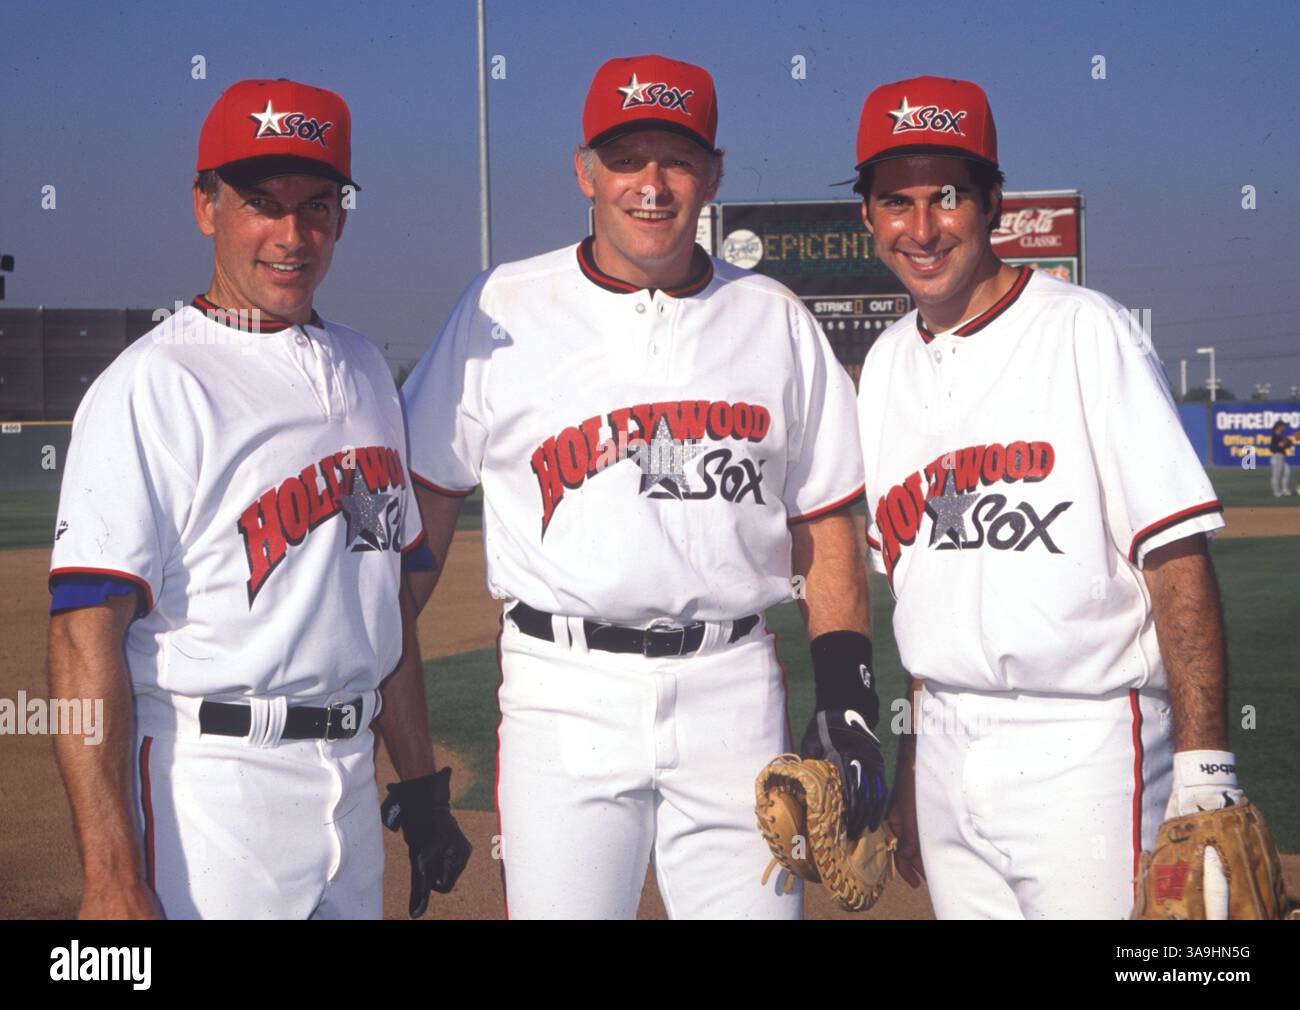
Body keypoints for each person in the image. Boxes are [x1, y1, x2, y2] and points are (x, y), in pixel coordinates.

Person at [398, 54, 886, 919]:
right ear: (585, 169)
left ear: (714, 173)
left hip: (733, 691)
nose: (651, 184)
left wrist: (847, 699)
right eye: (627, 158)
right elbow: (422, 520)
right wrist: (375, 696)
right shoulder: (504, 306)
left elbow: (825, 525)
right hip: (562, 694)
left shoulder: (775, 318)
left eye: (677, 158)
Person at [46, 78, 469, 920]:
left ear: (342, 217)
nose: (291, 235)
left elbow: (382, 610)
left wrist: (419, 783)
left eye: (316, 205)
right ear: (206, 207)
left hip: (347, 783)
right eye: (259, 204)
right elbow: (80, 634)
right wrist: (109, 876)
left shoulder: (364, 372)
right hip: (212, 793)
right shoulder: (155, 384)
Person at [851, 76, 1248, 918]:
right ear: (869, 217)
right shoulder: (883, 365)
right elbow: (923, 591)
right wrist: (917, 766)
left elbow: (1175, 557)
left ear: (994, 203)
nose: (922, 229)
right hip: (950, 746)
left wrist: (1208, 769)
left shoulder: (1084, 329)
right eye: (898, 202)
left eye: (948, 196)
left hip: (1088, 746)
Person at [1269, 421, 1294, 496]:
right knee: (1277, 475)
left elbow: (1286, 444)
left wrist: (1289, 442)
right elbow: (1281, 445)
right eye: (1283, 426)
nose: (1284, 428)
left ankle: (1284, 489)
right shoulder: (1276, 436)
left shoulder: (1280, 436)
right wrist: (1288, 442)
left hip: (1281, 456)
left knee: (1287, 472)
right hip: (1277, 456)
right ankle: (1276, 491)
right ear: (1278, 427)